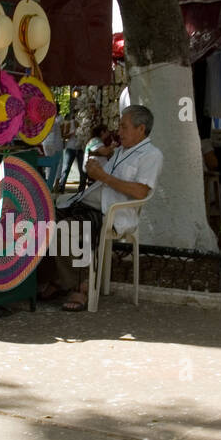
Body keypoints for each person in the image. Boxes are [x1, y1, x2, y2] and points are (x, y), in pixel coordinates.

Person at [38, 104, 162, 311]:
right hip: (82, 203)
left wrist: (103, 176)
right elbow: (102, 178)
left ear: (141, 129)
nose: (119, 131)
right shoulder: (121, 151)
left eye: (124, 127)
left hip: (107, 212)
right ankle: (58, 279)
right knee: (40, 221)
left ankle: (81, 286)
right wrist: (94, 168)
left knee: (63, 230)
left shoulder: (151, 155)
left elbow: (141, 192)